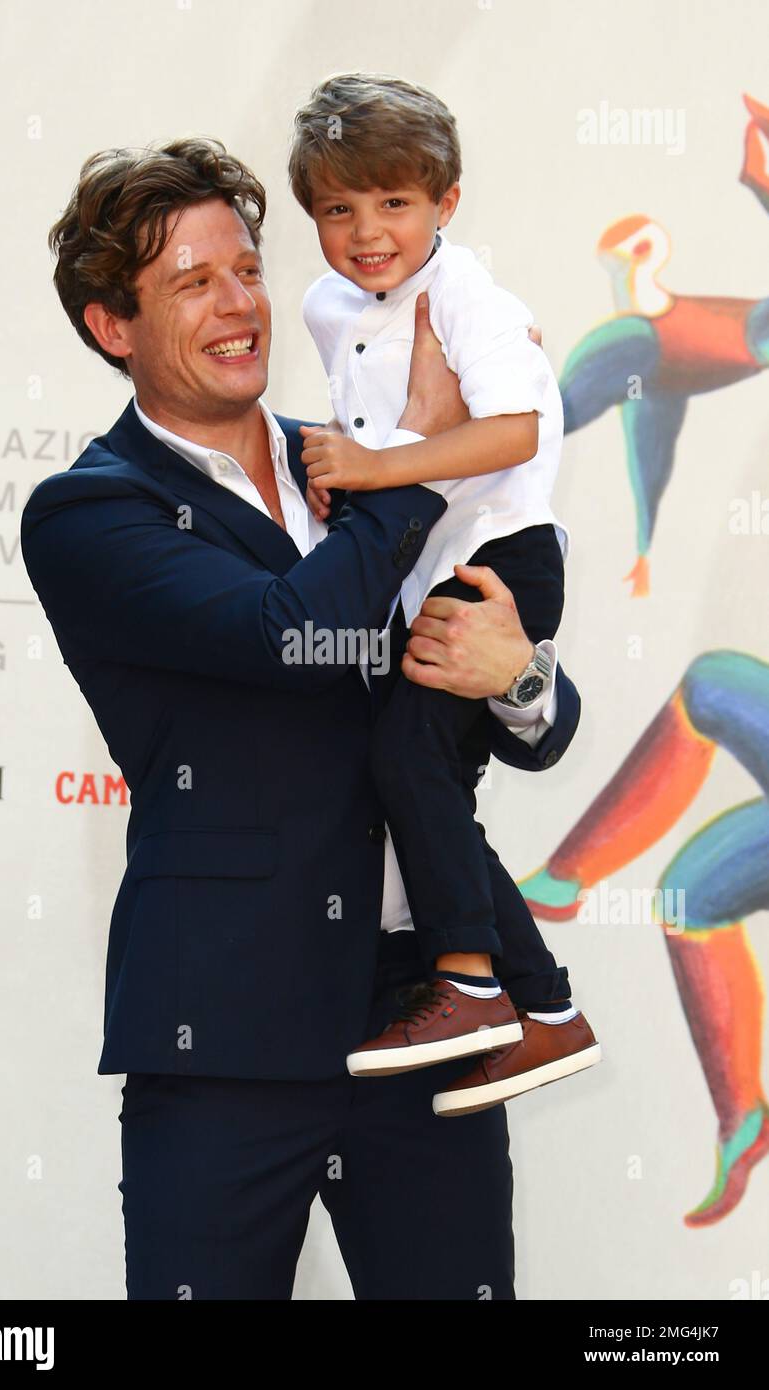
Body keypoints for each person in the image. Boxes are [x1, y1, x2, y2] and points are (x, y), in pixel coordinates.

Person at [20, 136, 583, 1299]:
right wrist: (420, 465)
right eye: (191, 283)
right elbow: (286, 636)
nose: (238, 307)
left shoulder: (354, 459)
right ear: (108, 326)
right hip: (224, 1026)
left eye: (246, 270)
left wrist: (514, 678)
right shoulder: (91, 512)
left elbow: (516, 694)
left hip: (420, 1012)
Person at [289, 72, 600, 1108]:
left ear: (445, 203)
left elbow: (514, 431)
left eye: (394, 203)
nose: (366, 231)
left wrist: (377, 464)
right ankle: (545, 1012)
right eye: (338, 209)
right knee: (415, 780)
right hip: (413, 574)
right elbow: (375, 428)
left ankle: (470, 985)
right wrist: (358, 472)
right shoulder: (324, 305)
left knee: (407, 759)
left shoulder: (469, 295)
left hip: (495, 563)